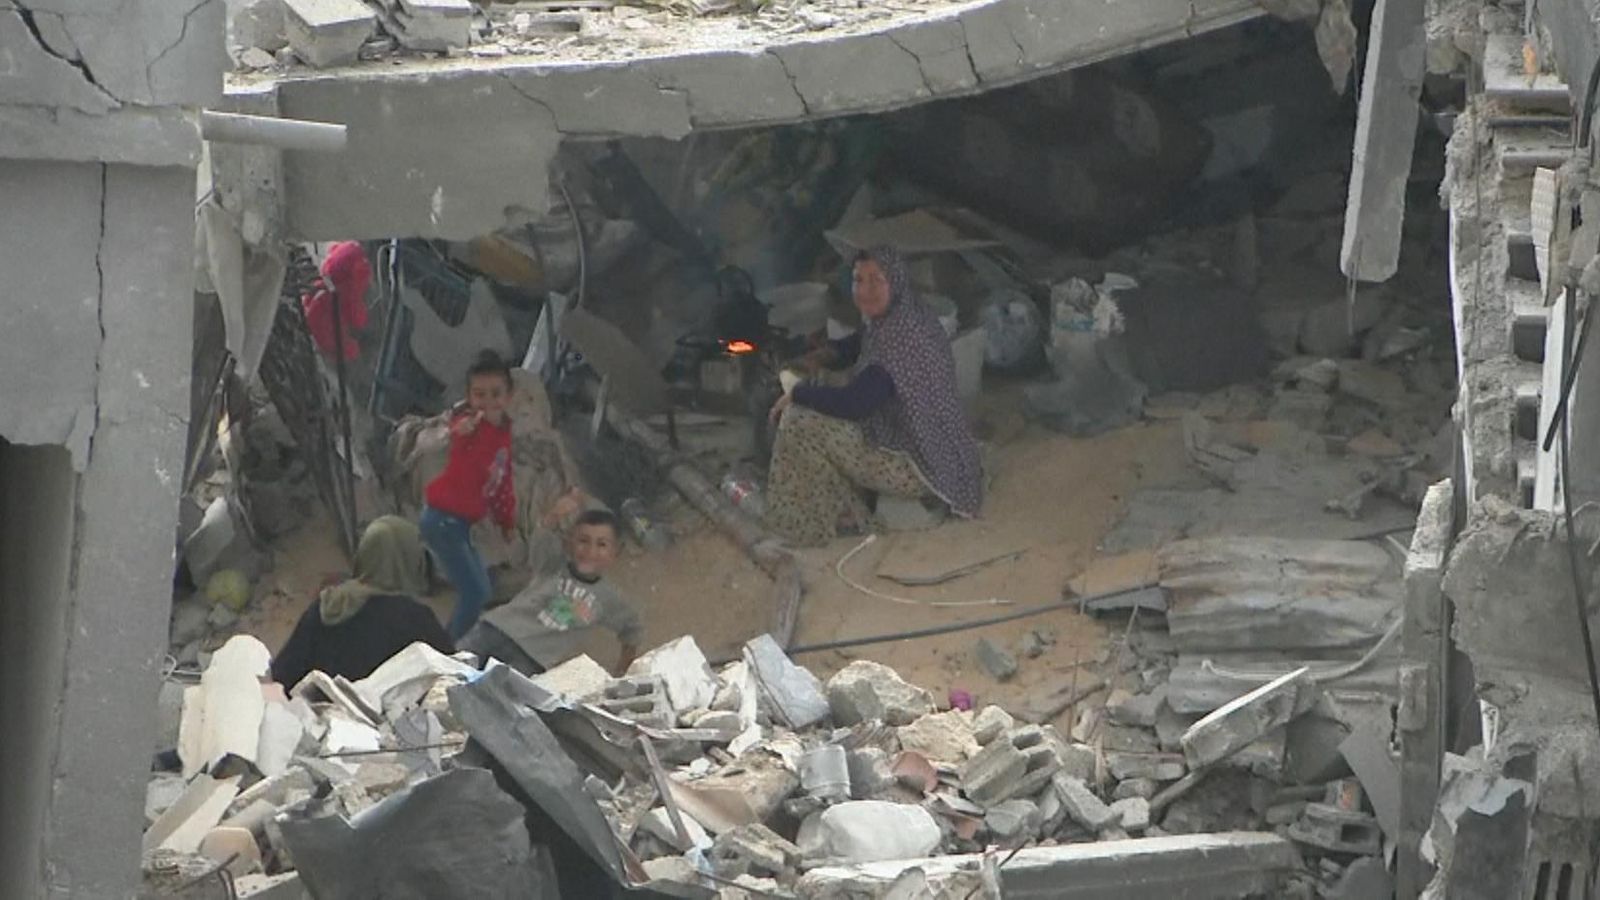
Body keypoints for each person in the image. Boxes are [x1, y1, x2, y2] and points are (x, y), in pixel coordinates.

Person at [764, 245, 983, 545]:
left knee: (799, 422)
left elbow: (856, 404)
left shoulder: (900, 340)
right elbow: (859, 344)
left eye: (876, 280)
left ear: (895, 281)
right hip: (941, 451)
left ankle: (811, 523)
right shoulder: (905, 315)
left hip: (918, 468)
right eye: (858, 280)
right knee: (822, 397)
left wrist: (799, 394)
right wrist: (823, 356)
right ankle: (838, 503)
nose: (865, 290)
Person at [270, 516, 453, 691]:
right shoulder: (416, 620)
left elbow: (282, 677)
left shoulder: (327, 606)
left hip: (319, 717)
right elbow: (453, 678)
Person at [458, 509, 643, 676]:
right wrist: (555, 513)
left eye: (601, 544)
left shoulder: (609, 599)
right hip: (495, 630)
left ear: (616, 551)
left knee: (492, 703)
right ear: (569, 543)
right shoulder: (552, 563)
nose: (590, 551)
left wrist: (622, 671)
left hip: (532, 659)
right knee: (446, 675)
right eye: (583, 541)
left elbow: (632, 629)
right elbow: (542, 536)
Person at [420, 350, 518, 640]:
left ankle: (454, 642)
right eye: (479, 395)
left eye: (495, 393)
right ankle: (447, 651)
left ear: (509, 395)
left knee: (481, 589)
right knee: (476, 594)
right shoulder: (469, 426)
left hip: (458, 524)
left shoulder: (503, 435)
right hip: (442, 520)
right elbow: (457, 430)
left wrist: (507, 521)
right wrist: (460, 429)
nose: (487, 402)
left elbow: (502, 483)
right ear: (469, 397)